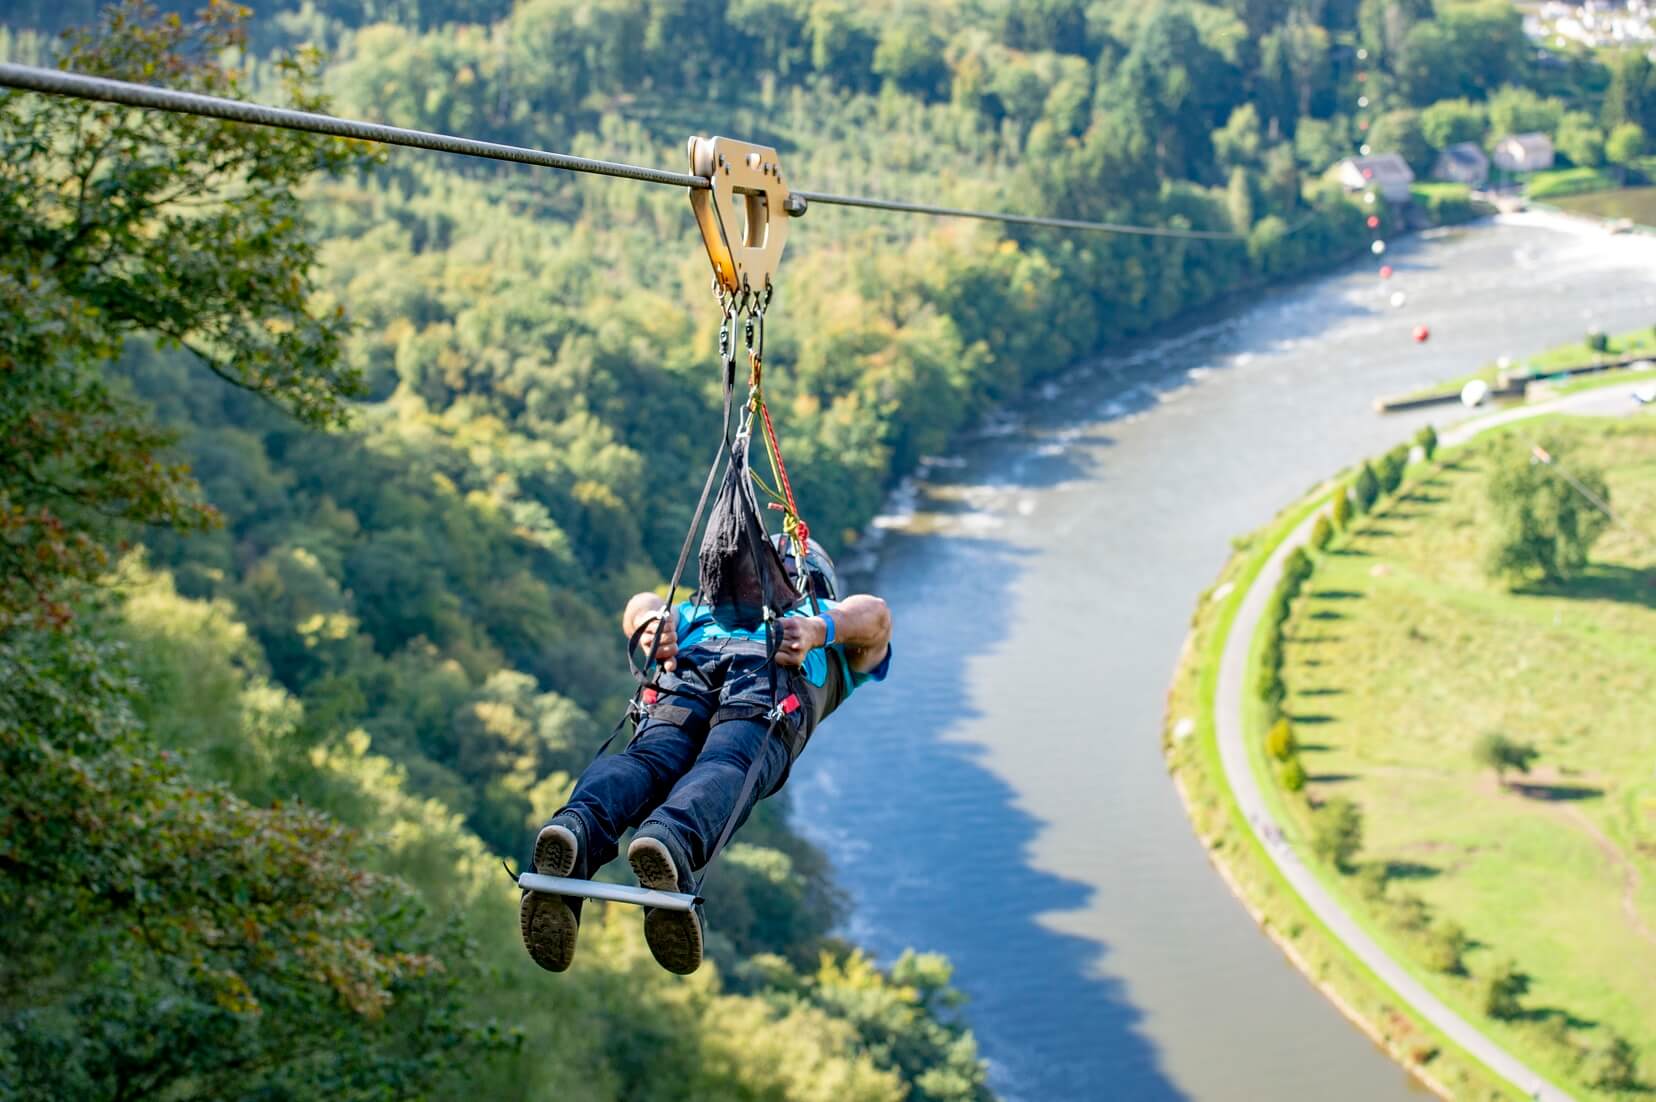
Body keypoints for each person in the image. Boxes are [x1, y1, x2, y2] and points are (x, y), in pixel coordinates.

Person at [519, 537, 892, 975]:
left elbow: (640, 603)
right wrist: (818, 631)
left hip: (687, 676)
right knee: (729, 763)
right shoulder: (821, 628)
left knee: (646, 762)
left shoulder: (709, 615)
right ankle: (670, 839)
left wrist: (652, 620)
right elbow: (878, 617)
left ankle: (577, 825)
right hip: (768, 686)